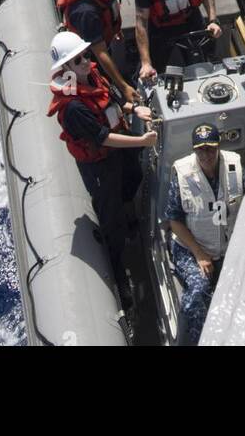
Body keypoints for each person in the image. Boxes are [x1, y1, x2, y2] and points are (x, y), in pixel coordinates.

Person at [47, 31, 156, 310]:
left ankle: (128, 216)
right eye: (78, 59)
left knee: (134, 177)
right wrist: (140, 140)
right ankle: (119, 272)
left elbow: (111, 101)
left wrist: (133, 109)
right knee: (112, 220)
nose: (86, 61)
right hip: (100, 163)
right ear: (66, 68)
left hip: (119, 148)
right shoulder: (72, 107)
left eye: (85, 55)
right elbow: (101, 137)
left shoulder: (92, 76)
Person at [164, 123, 245, 346]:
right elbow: (174, 221)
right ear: (194, 150)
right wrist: (199, 253)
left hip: (226, 247)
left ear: (218, 147)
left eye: (210, 148)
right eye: (200, 149)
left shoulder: (235, 168)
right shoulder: (182, 175)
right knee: (198, 292)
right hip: (190, 249)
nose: (206, 154)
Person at [56, 0, 137, 104]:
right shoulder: (86, 11)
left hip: (105, 32)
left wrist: (115, 28)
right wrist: (123, 87)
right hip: (89, 54)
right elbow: (100, 52)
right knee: (103, 83)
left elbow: (109, 3)